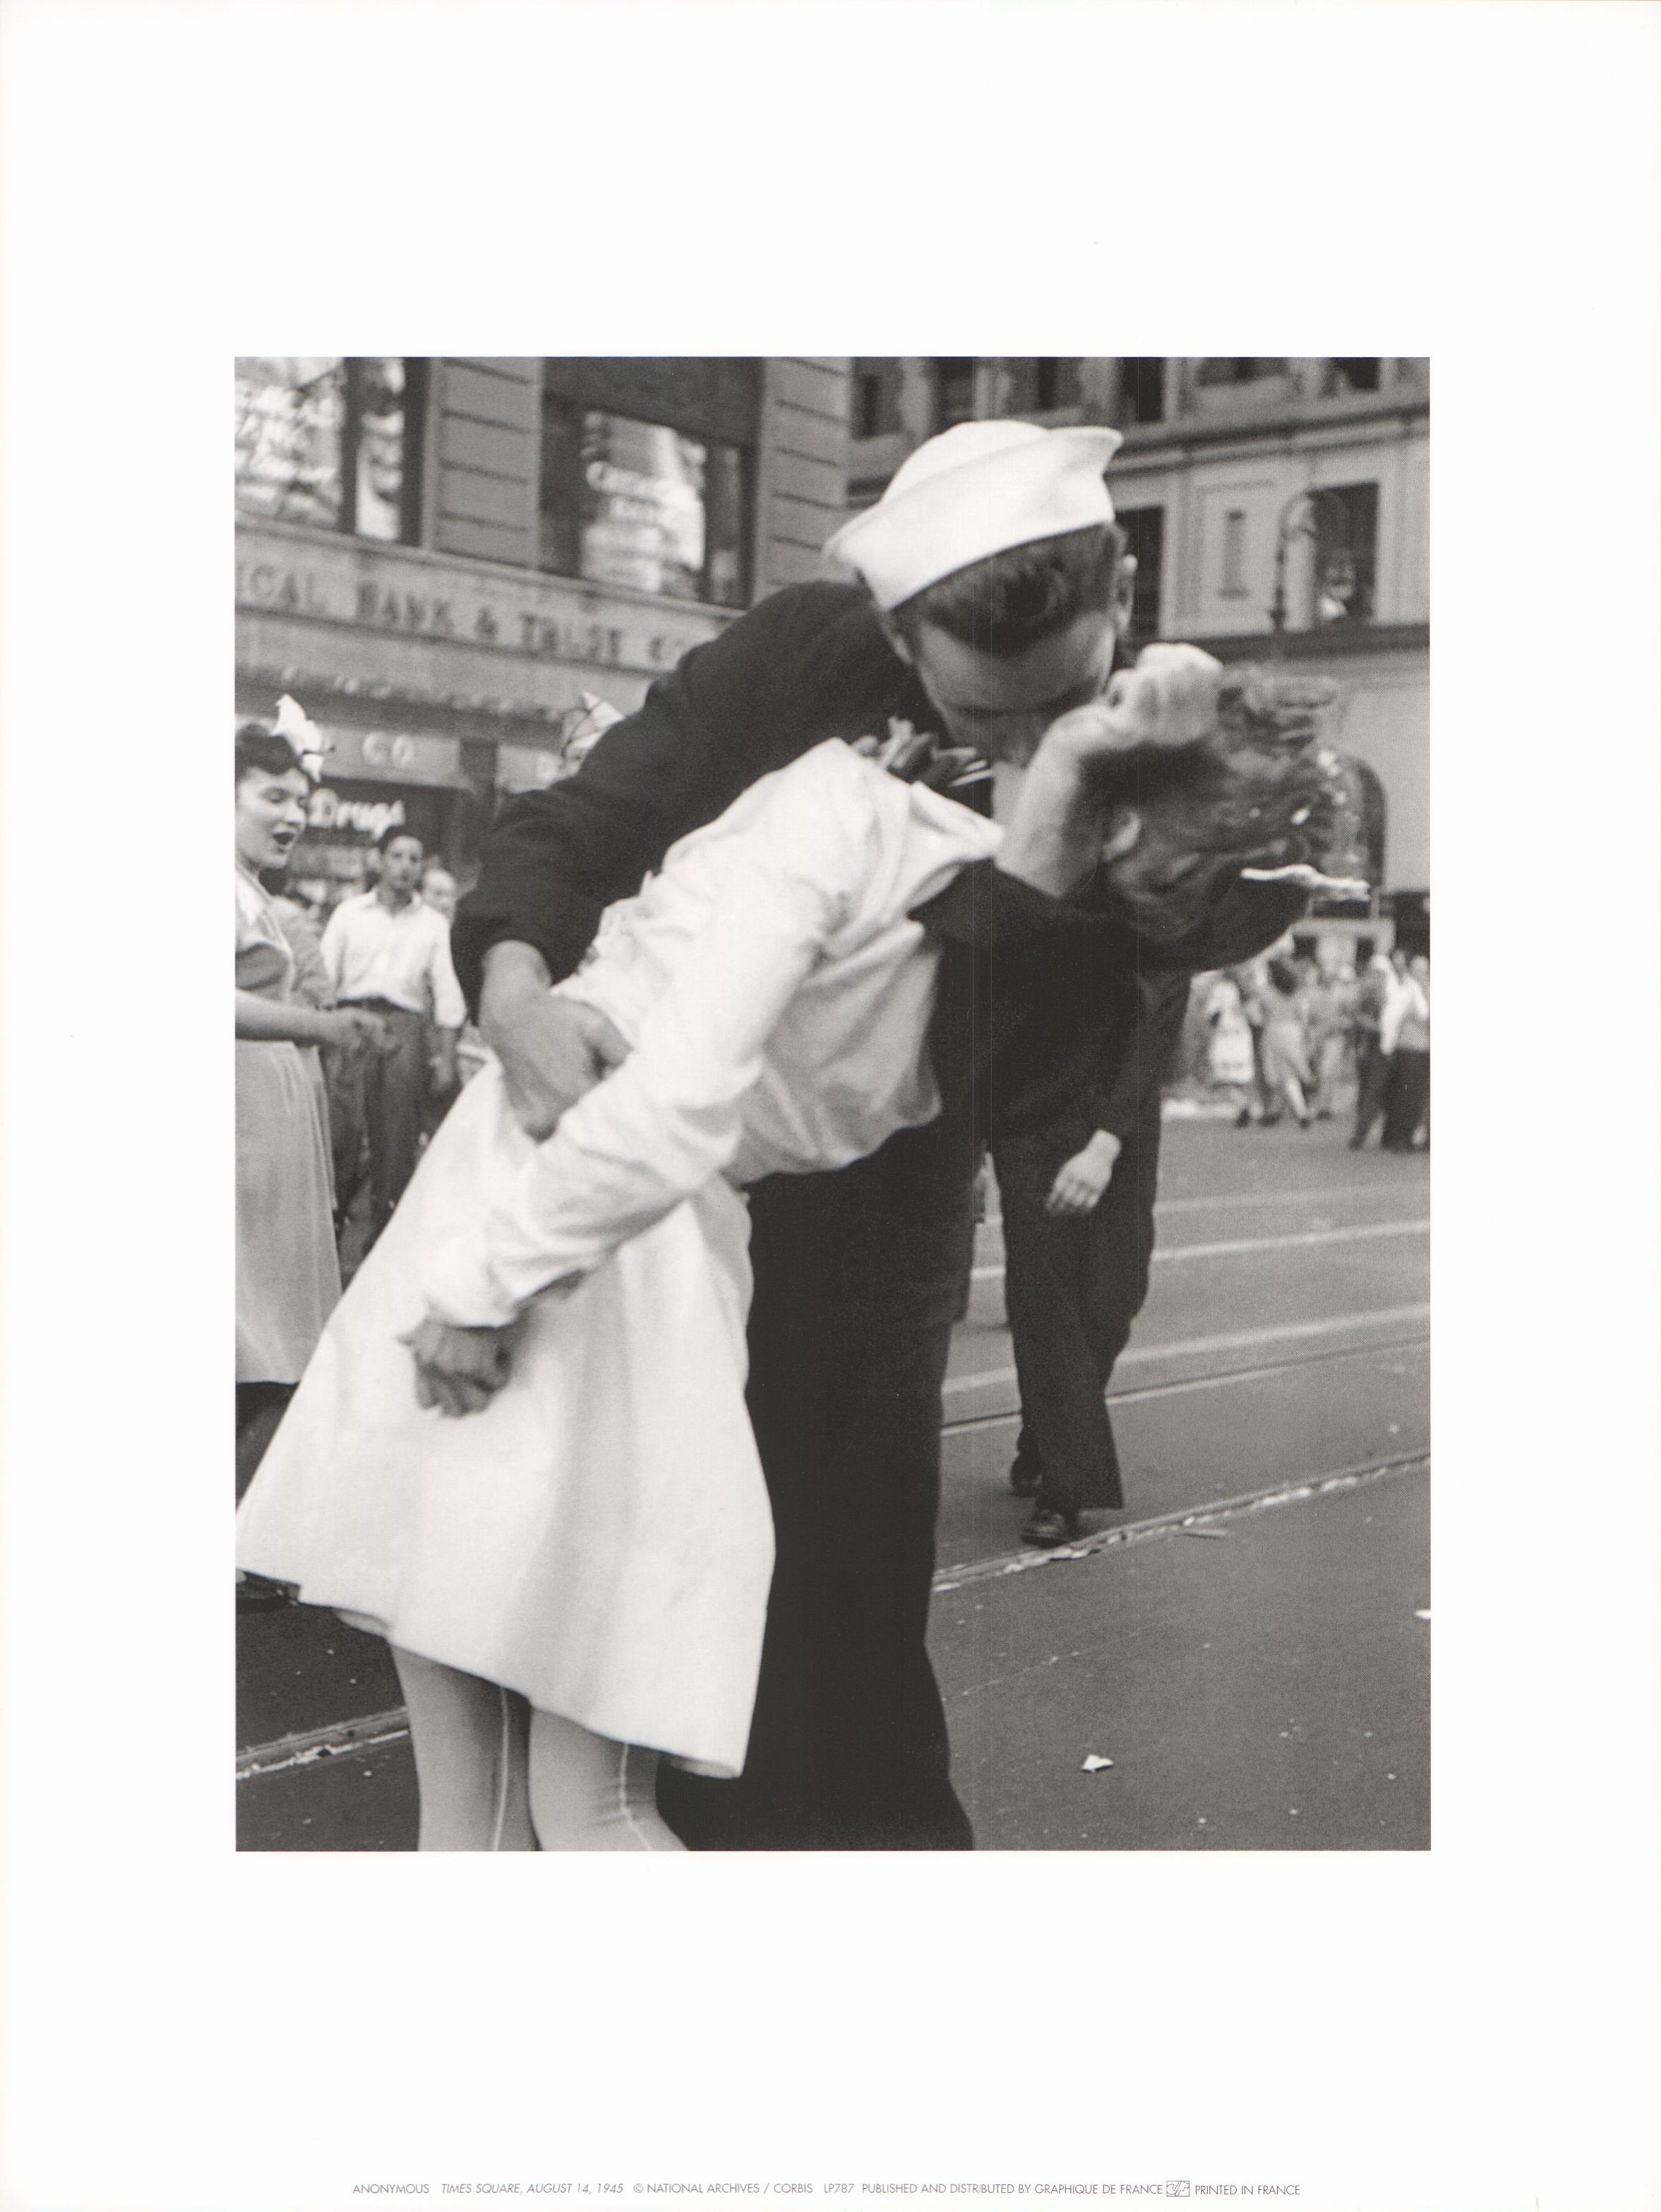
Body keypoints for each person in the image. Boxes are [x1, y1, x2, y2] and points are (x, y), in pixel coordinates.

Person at [237, 658, 1362, 1847]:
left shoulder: (875, 830)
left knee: (530, 1806)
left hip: (569, 1221)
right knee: (548, 1801)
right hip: (630, 1245)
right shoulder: (992, 937)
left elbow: (671, 1097)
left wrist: (483, 1283)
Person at [442, 418, 1311, 1851]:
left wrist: (1082, 843)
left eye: (1056, 699)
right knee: (617, 1649)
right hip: (653, 1215)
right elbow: (585, 815)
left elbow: (1031, 1069)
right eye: (982, 712)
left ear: (1119, 589)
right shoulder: (801, 654)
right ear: (898, 635)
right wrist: (514, 977)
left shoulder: (1156, 749)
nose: (1021, 741)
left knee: (840, 1664)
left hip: (870, 1240)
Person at [236, 725, 388, 1502]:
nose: (292, 815)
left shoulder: (250, 890)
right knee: (243, 1319)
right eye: (272, 796)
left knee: (263, 1323)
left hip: (264, 1124)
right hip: (235, 1124)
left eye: (300, 800)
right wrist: (321, 1026)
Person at [995, 975, 1189, 1546]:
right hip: (1029, 1118)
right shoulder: (1023, 923)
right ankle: (1067, 1486)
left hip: (1123, 1125)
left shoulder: (1160, 934)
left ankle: (1045, 1433)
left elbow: (1152, 1035)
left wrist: (1104, 1143)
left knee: (1116, 1291)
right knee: (1044, 1295)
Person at [321, 826, 466, 1236]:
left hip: (405, 1029)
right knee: (342, 1132)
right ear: (379, 860)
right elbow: (324, 977)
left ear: (422, 868)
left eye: (414, 859)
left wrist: (446, 1060)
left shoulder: (433, 924)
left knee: (397, 1139)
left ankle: (383, 1242)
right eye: (397, 856)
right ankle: (329, 1233)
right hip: (351, 1021)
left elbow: (448, 992)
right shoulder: (350, 913)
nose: (405, 867)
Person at [1380, 951, 1430, 1149]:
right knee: (1405, 1095)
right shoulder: (1407, 991)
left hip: (1423, 1049)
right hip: (1408, 1048)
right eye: (1417, 970)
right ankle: (1399, 1137)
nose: (1421, 974)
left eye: (1424, 971)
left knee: (1418, 1097)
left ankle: (1408, 1136)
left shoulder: (1425, 990)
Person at [1259, 955, 1315, 1128]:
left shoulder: (1267, 994)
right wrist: (1307, 1036)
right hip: (1294, 1032)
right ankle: (1300, 1111)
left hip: (1274, 1031)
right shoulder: (1298, 993)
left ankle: (1279, 1110)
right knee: (1290, 1074)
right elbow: (1303, 1018)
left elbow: (1261, 1016)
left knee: (1278, 1075)